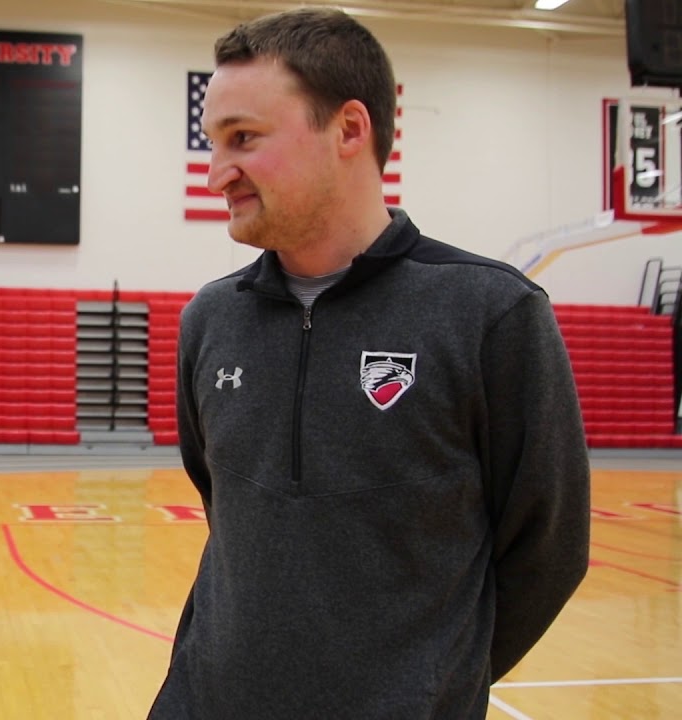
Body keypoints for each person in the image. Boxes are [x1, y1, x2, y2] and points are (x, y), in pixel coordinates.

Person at [149, 8, 589, 719]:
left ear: (350, 130)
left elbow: (548, 551)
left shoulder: (492, 314)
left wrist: (424, 683)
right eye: (212, 144)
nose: (214, 174)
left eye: (243, 140)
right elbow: (224, 508)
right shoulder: (211, 321)